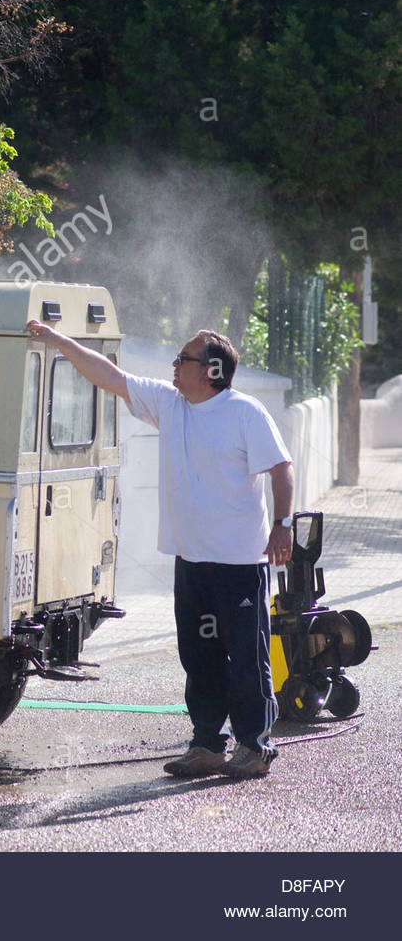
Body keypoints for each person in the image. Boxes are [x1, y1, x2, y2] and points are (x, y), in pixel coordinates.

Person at [26, 320, 294, 779]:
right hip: (191, 561)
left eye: (183, 358)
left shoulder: (245, 412)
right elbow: (108, 376)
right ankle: (208, 745)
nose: (174, 364)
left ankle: (254, 746)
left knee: (247, 660)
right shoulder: (170, 404)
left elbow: (281, 470)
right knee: (199, 657)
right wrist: (55, 340)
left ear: (211, 369)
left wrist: (284, 525)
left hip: (239, 564)